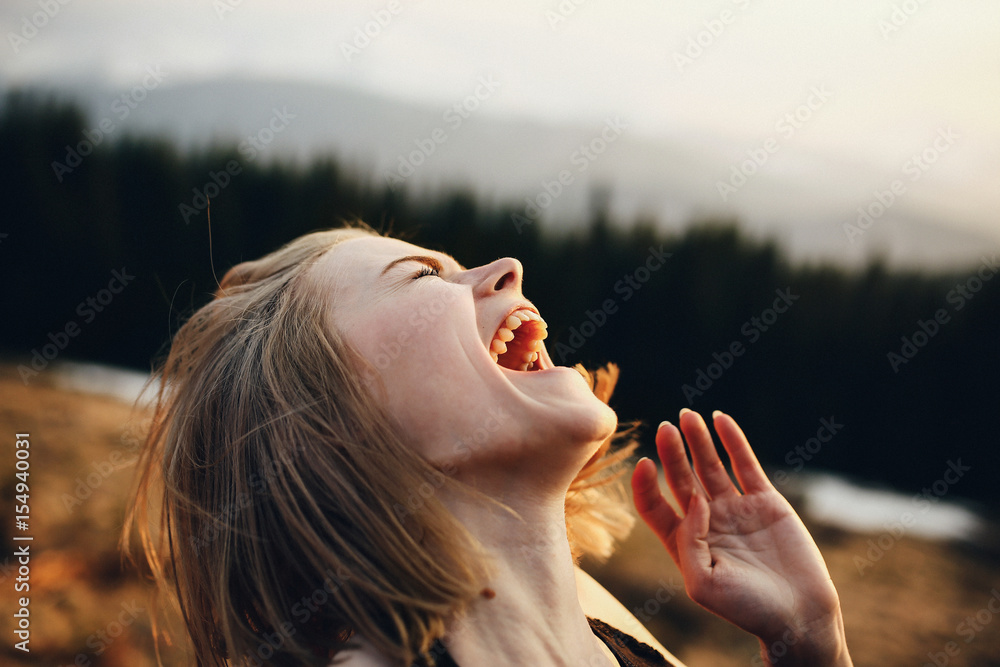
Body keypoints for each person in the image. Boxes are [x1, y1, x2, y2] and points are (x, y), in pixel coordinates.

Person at [124, 224, 853, 667]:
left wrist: (810, 641)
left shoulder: (612, 634)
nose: (507, 268)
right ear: (323, 420)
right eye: (420, 274)